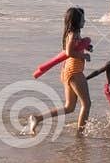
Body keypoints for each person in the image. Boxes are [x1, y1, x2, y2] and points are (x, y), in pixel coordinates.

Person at [31, 7, 93, 135]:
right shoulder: (74, 34)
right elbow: (70, 52)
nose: (85, 21)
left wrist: (85, 46)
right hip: (74, 71)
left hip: (68, 70)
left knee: (69, 107)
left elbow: (74, 47)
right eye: (82, 19)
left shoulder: (72, 33)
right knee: (86, 104)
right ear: (76, 21)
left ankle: (37, 118)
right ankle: (80, 134)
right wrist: (84, 56)